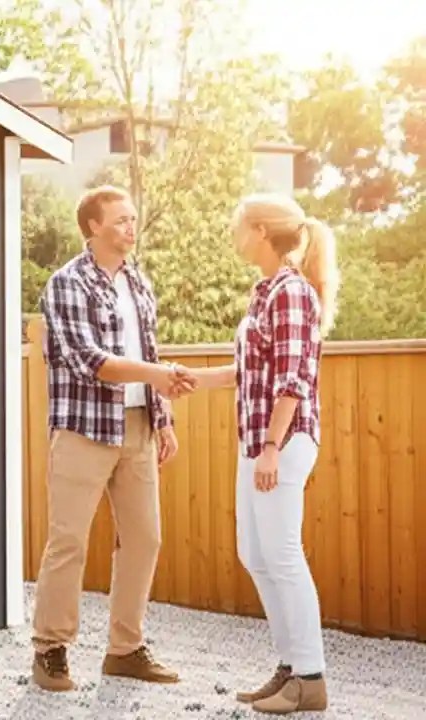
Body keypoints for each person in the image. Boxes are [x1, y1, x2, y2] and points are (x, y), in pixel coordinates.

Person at [30, 185, 194, 692]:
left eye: (132, 219)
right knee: (69, 541)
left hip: (139, 426)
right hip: (84, 428)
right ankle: (50, 650)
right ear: (93, 227)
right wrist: (159, 373)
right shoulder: (66, 283)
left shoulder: (138, 283)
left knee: (144, 538)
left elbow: (148, 347)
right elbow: (89, 361)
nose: (130, 226)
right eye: (120, 220)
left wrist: (162, 416)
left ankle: (125, 649)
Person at [181, 192, 339, 714]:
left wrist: (272, 446)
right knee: (256, 553)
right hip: (259, 442)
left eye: (238, 225)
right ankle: (291, 665)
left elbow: (292, 379)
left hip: (282, 442)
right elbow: (251, 372)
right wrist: (191, 379)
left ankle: (309, 678)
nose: (234, 233)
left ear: (262, 232)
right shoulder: (264, 292)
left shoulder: (291, 293)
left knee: (283, 555)